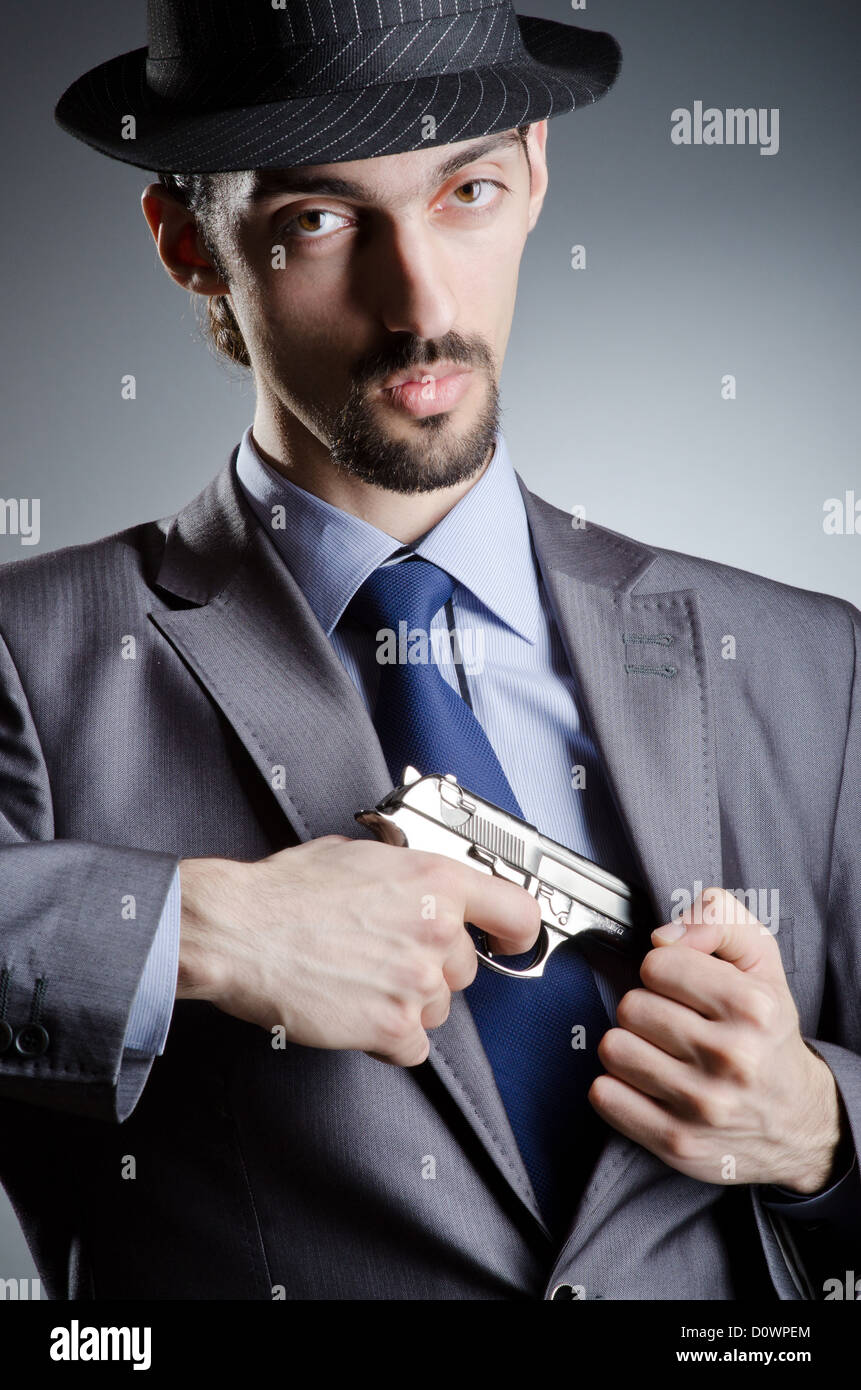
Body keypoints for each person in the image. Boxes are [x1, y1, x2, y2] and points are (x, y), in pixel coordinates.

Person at [0, 0, 858, 1301]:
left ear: (533, 175)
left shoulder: (809, 665)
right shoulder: (29, 652)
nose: (420, 306)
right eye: (318, 219)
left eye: (464, 190)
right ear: (189, 242)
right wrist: (196, 932)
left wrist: (821, 1131)